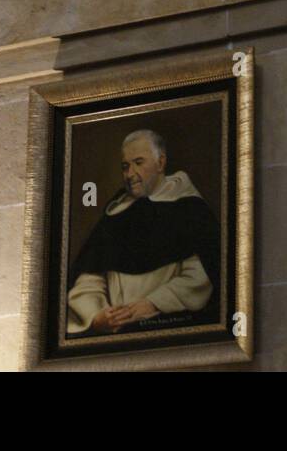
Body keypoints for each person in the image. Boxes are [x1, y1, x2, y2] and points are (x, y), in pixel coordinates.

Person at [67, 130, 221, 336]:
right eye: (125, 166)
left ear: (161, 162)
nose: (130, 174)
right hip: (116, 334)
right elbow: (90, 277)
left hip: (169, 326)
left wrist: (154, 303)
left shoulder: (190, 209)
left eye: (139, 162)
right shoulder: (116, 213)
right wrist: (97, 315)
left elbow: (201, 276)